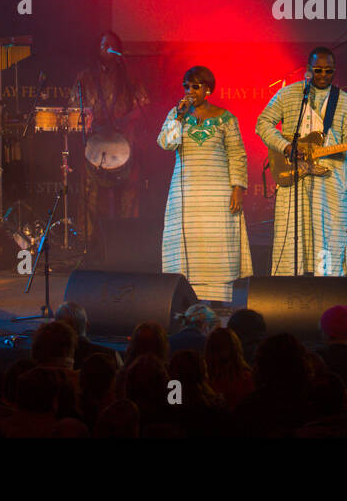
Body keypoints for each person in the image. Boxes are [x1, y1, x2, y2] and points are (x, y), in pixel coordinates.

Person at [256, 47, 347, 276]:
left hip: (331, 181)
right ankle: (288, 291)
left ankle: (329, 290)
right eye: (318, 70)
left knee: (329, 237)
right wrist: (285, 146)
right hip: (294, 178)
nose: (323, 75)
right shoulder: (289, 94)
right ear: (308, 70)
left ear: (335, 71)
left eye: (328, 71)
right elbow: (263, 123)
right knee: (291, 237)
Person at [158, 66, 252, 303]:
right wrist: (178, 117)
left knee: (216, 244)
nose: (190, 91)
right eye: (186, 86)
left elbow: (237, 154)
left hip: (217, 193)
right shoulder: (176, 114)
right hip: (186, 193)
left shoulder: (226, 118)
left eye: (196, 87)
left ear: (208, 90)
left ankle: (218, 301)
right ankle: (185, 301)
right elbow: (166, 144)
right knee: (186, 244)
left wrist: (238, 188)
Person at [72, 31, 151, 239]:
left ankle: (128, 240)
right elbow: (74, 108)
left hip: (125, 140)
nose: (107, 47)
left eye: (112, 44)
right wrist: (92, 123)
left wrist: (124, 122)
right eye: (103, 44)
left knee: (130, 188)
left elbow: (143, 106)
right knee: (89, 190)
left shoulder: (130, 77)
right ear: (97, 49)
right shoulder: (85, 77)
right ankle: (87, 241)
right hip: (95, 141)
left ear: (118, 50)